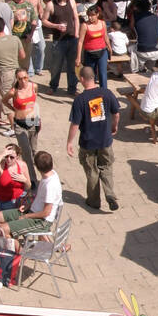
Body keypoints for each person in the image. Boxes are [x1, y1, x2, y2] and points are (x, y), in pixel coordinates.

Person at [66, 66, 121, 212]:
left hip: (88, 142)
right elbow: (116, 113)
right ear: (94, 77)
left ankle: (94, 201)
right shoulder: (107, 93)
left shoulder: (80, 100)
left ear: (82, 79)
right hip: (105, 140)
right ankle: (110, 194)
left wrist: (69, 142)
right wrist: (114, 127)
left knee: (92, 171)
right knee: (107, 167)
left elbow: (75, 125)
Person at [0, 149, 62, 239]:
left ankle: (19, 251)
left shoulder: (50, 186)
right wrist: (28, 205)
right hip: (32, 210)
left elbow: (46, 213)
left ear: (37, 167)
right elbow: (39, 198)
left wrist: (26, 216)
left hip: (41, 221)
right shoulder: (52, 173)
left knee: (3, 230)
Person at [43, 0, 80, 95]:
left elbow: (76, 18)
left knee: (72, 66)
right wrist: (56, 26)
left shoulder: (72, 2)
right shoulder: (51, 5)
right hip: (58, 40)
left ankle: (72, 88)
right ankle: (53, 86)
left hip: (72, 38)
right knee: (56, 66)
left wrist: (77, 34)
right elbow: (44, 21)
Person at [77, 3, 111, 92]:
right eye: (89, 16)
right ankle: (91, 93)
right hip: (89, 53)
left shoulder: (102, 23)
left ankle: (104, 93)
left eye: (92, 16)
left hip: (102, 51)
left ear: (97, 15)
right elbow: (80, 41)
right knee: (90, 75)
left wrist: (109, 47)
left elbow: (106, 36)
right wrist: (78, 57)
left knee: (103, 74)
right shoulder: (85, 25)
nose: (90, 18)